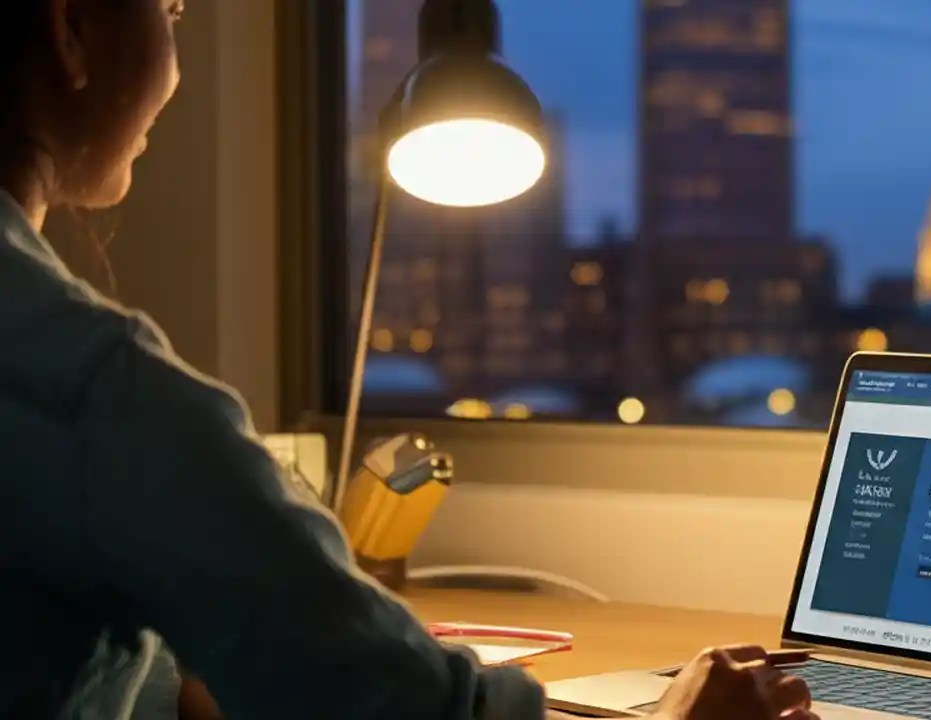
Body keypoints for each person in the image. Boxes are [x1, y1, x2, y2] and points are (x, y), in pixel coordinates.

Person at [0, 2, 819, 719]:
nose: (177, 70)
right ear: (72, 27)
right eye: (173, 10)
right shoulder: (96, 392)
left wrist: (219, 669)